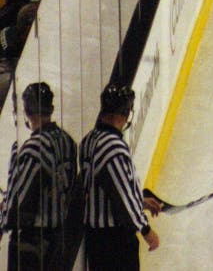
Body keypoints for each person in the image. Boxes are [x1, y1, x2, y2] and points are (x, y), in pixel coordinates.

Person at [80, 83, 161, 271]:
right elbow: (122, 199)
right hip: (115, 243)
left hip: (96, 240)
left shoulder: (89, 140)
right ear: (123, 113)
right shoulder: (113, 147)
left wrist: (139, 200)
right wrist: (147, 231)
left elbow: (107, 189)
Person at [0, 81, 77, 271]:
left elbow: (20, 203)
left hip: (32, 245)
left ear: (26, 111)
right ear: (50, 107)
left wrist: (3, 221)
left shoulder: (33, 148)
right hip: (58, 238)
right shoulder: (67, 141)